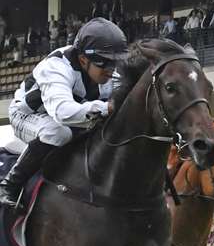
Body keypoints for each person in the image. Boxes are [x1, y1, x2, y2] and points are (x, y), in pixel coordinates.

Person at [0, 18, 126, 209]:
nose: (112, 70)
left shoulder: (105, 72)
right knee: (58, 132)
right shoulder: (56, 66)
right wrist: (107, 108)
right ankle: (9, 186)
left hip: (67, 119)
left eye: (116, 62)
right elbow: (63, 113)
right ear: (83, 59)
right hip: (27, 116)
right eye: (106, 62)